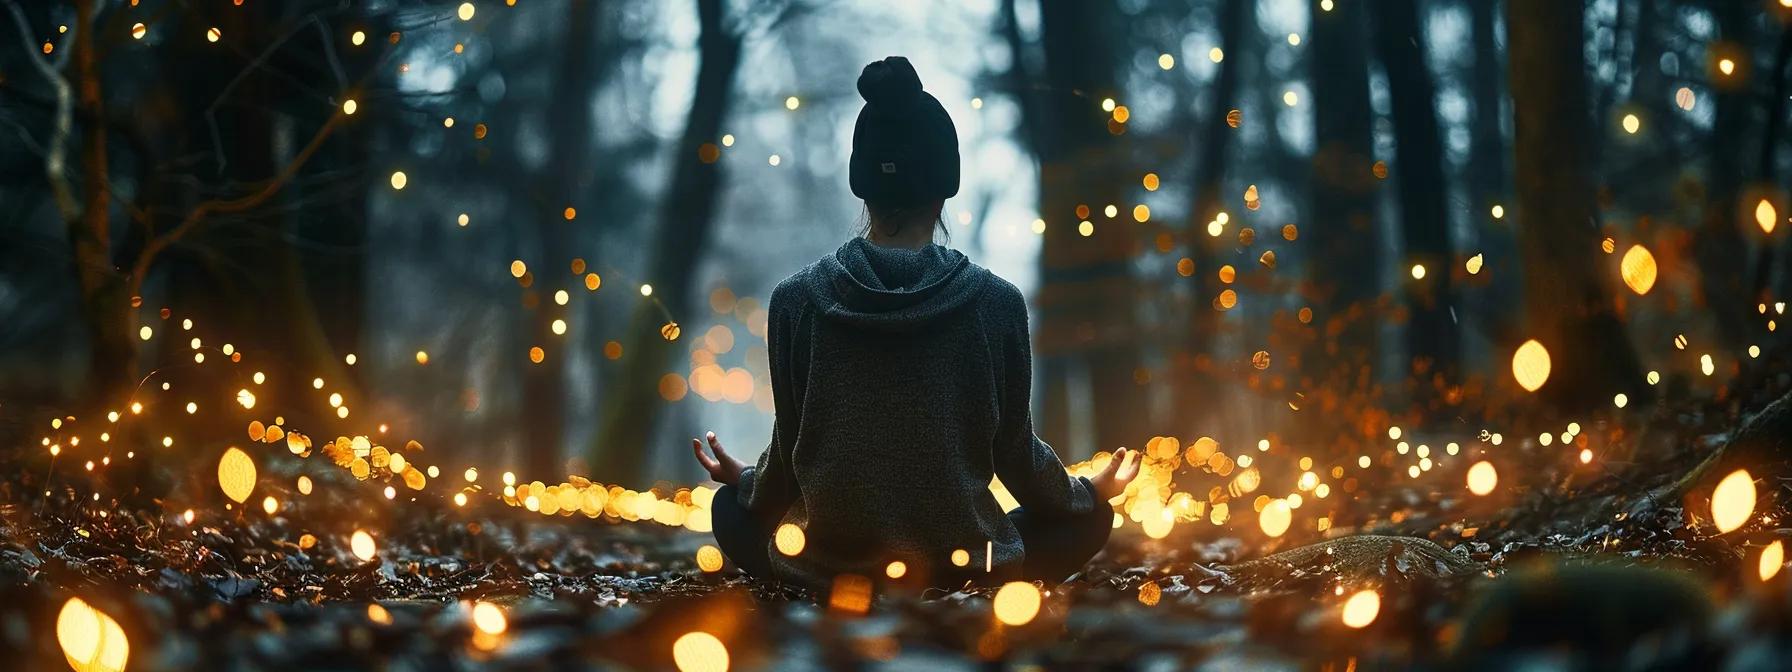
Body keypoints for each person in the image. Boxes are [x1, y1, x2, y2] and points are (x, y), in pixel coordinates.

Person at [690, 56, 1139, 592]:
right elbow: (1015, 458)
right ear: (944, 187)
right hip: (964, 570)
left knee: (729, 511)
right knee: (1089, 519)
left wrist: (744, 482)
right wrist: (1088, 492)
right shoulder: (997, 303)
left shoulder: (795, 301)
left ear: (862, 184)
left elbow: (790, 458)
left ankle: (833, 579)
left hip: (829, 572)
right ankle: (971, 579)